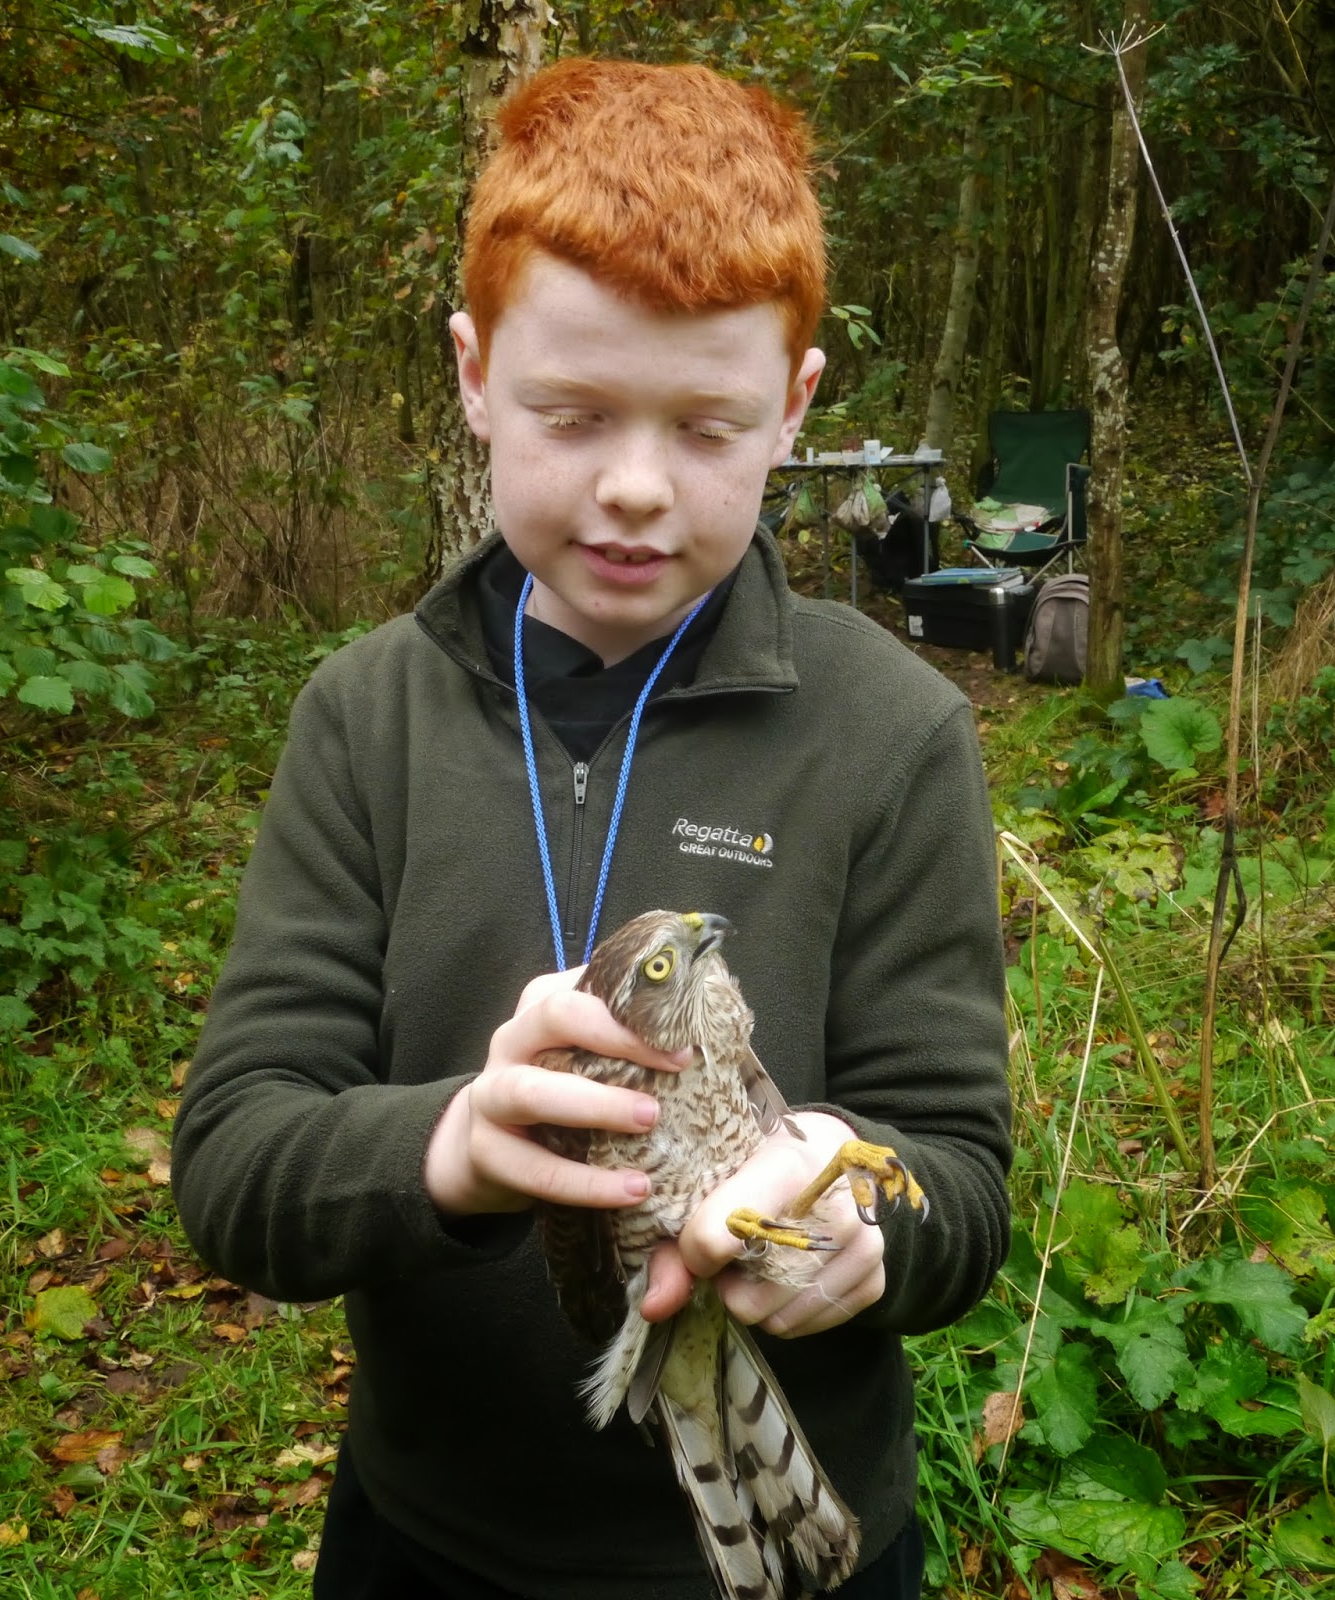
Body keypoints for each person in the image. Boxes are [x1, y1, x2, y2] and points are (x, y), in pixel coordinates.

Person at [172, 56, 1011, 1600]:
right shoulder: (366, 720)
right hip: (433, 1543)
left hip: (804, 1546)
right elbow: (235, 1165)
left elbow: (955, 1174)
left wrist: (855, 1216)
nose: (634, 488)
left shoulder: (890, 733)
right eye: (570, 413)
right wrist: (448, 1147)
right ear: (475, 375)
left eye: (707, 428)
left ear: (794, 407)